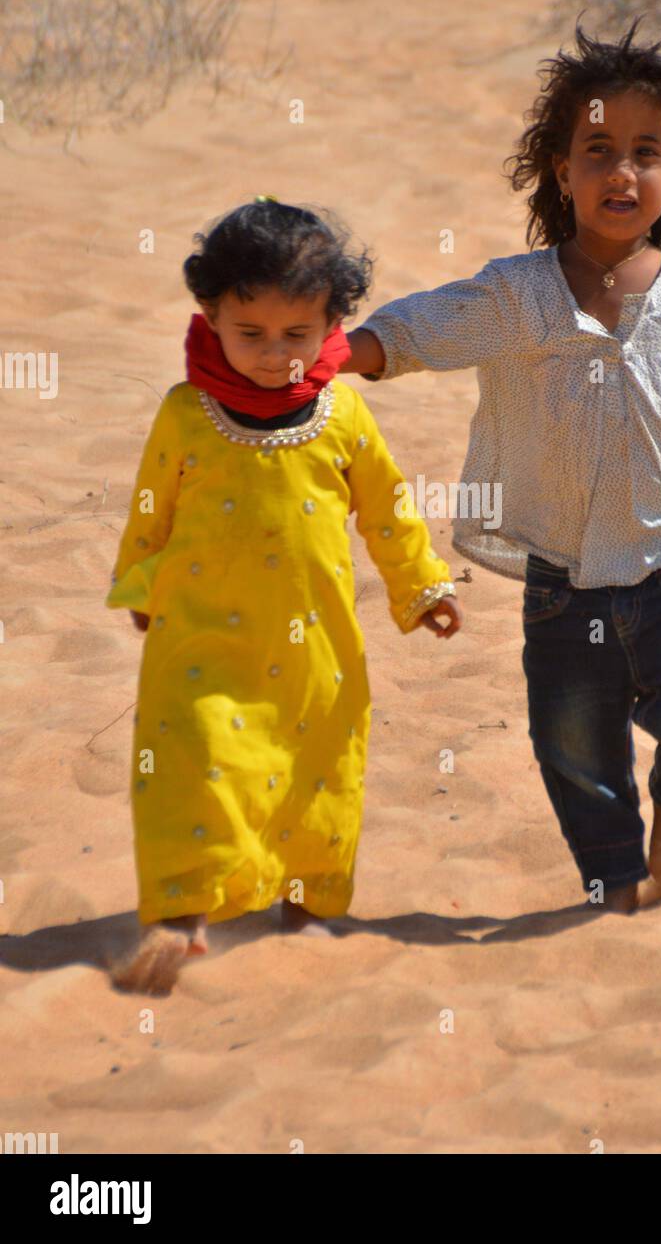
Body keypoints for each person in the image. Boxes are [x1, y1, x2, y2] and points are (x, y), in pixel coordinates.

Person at [343, 18, 661, 915]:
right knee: (573, 747)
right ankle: (616, 894)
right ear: (561, 169)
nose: (621, 172)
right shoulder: (517, 292)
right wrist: (348, 353)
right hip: (561, 581)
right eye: (597, 149)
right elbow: (427, 326)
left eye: (644, 152)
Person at [106, 198, 461, 993]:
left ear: (332, 321)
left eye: (297, 336)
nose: (275, 356)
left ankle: (306, 913)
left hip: (315, 645)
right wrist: (141, 583)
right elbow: (149, 505)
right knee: (191, 764)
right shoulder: (185, 414)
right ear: (210, 313)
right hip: (198, 643)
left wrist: (422, 586)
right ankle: (182, 915)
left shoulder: (343, 412)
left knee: (320, 769)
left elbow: (388, 508)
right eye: (251, 334)